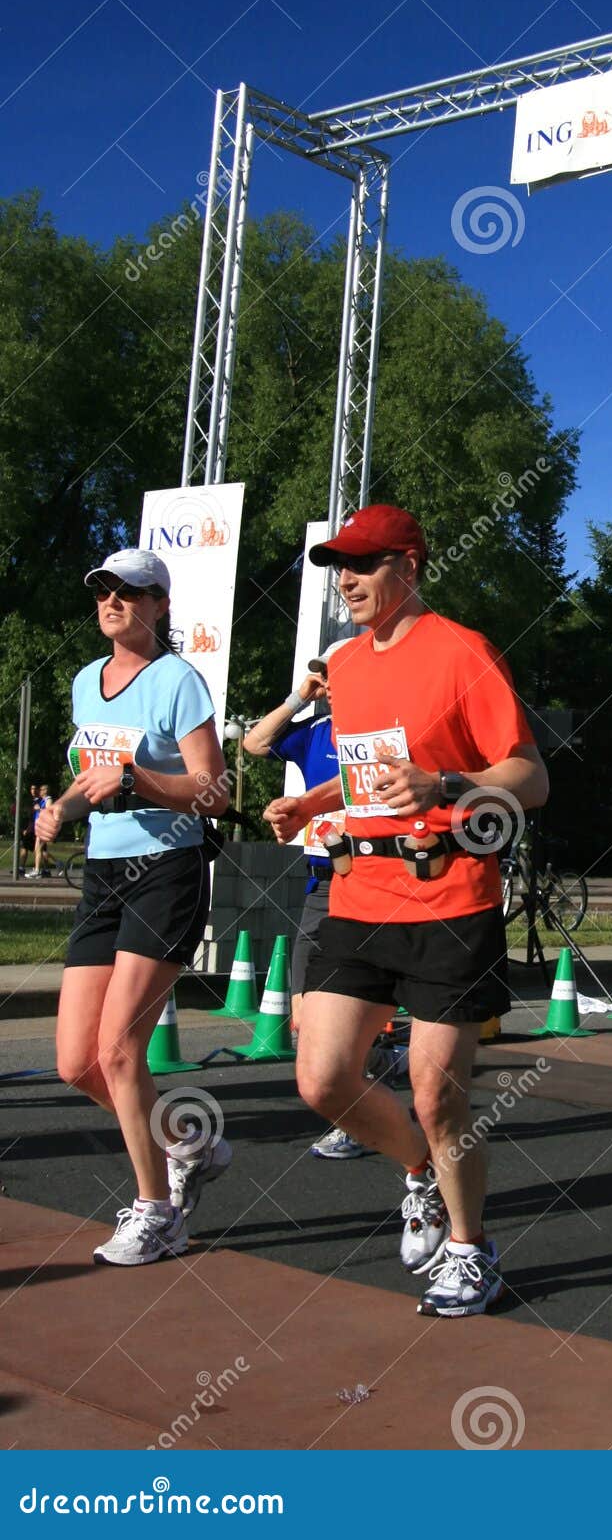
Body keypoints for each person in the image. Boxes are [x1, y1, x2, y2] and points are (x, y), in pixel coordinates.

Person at [263, 505, 548, 1317]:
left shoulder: (461, 651)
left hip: (451, 893)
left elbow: (530, 776)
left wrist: (450, 786)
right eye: (336, 567)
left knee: (437, 1092)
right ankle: (419, 1172)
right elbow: (367, 777)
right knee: (321, 1079)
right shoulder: (345, 664)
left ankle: (470, 1249)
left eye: (362, 564)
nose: (344, 580)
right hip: (359, 892)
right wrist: (309, 801)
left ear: (410, 566)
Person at [36, 549, 230, 1266]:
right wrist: (58, 809)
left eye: (132, 591)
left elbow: (216, 792)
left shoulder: (179, 680)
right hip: (103, 874)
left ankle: (158, 1214)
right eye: (104, 590)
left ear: (159, 606)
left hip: (166, 872)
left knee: (121, 1051)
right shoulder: (88, 680)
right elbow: (94, 778)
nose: (114, 600)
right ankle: (185, 1143)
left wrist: (143, 781)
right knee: (75, 1065)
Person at [242, 651, 361, 1160]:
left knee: (354, 1004)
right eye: (326, 675)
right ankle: (358, 1095)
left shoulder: (382, 732)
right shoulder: (316, 731)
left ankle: (357, 1113)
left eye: (340, 675)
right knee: (305, 1008)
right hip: (319, 882)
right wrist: (298, 697)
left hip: (371, 878)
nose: (331, 684)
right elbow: (254, 743)